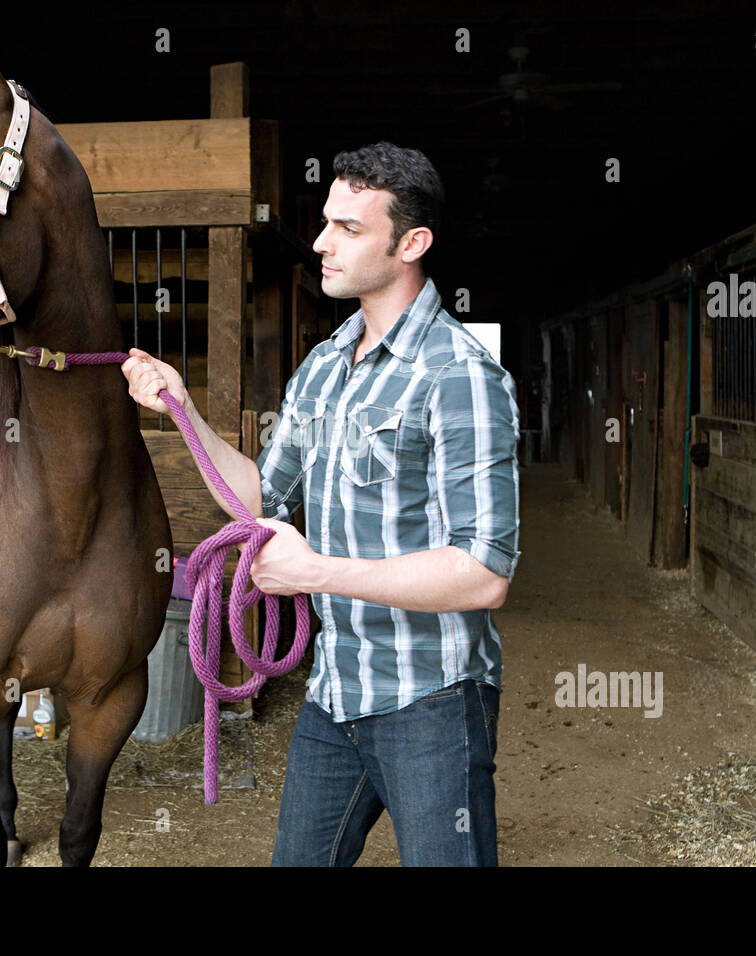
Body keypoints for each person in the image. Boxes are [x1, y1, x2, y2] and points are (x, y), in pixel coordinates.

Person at [121, 142, 520, 866]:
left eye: (348, 229)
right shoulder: (325, 366)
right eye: (326, 222)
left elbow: (482, 573)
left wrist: (315, 573)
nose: (320, 243)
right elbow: (259, 498)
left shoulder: (461, 376)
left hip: (430, 697)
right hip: (336, 693)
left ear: (412, 244)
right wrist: (183, 408)